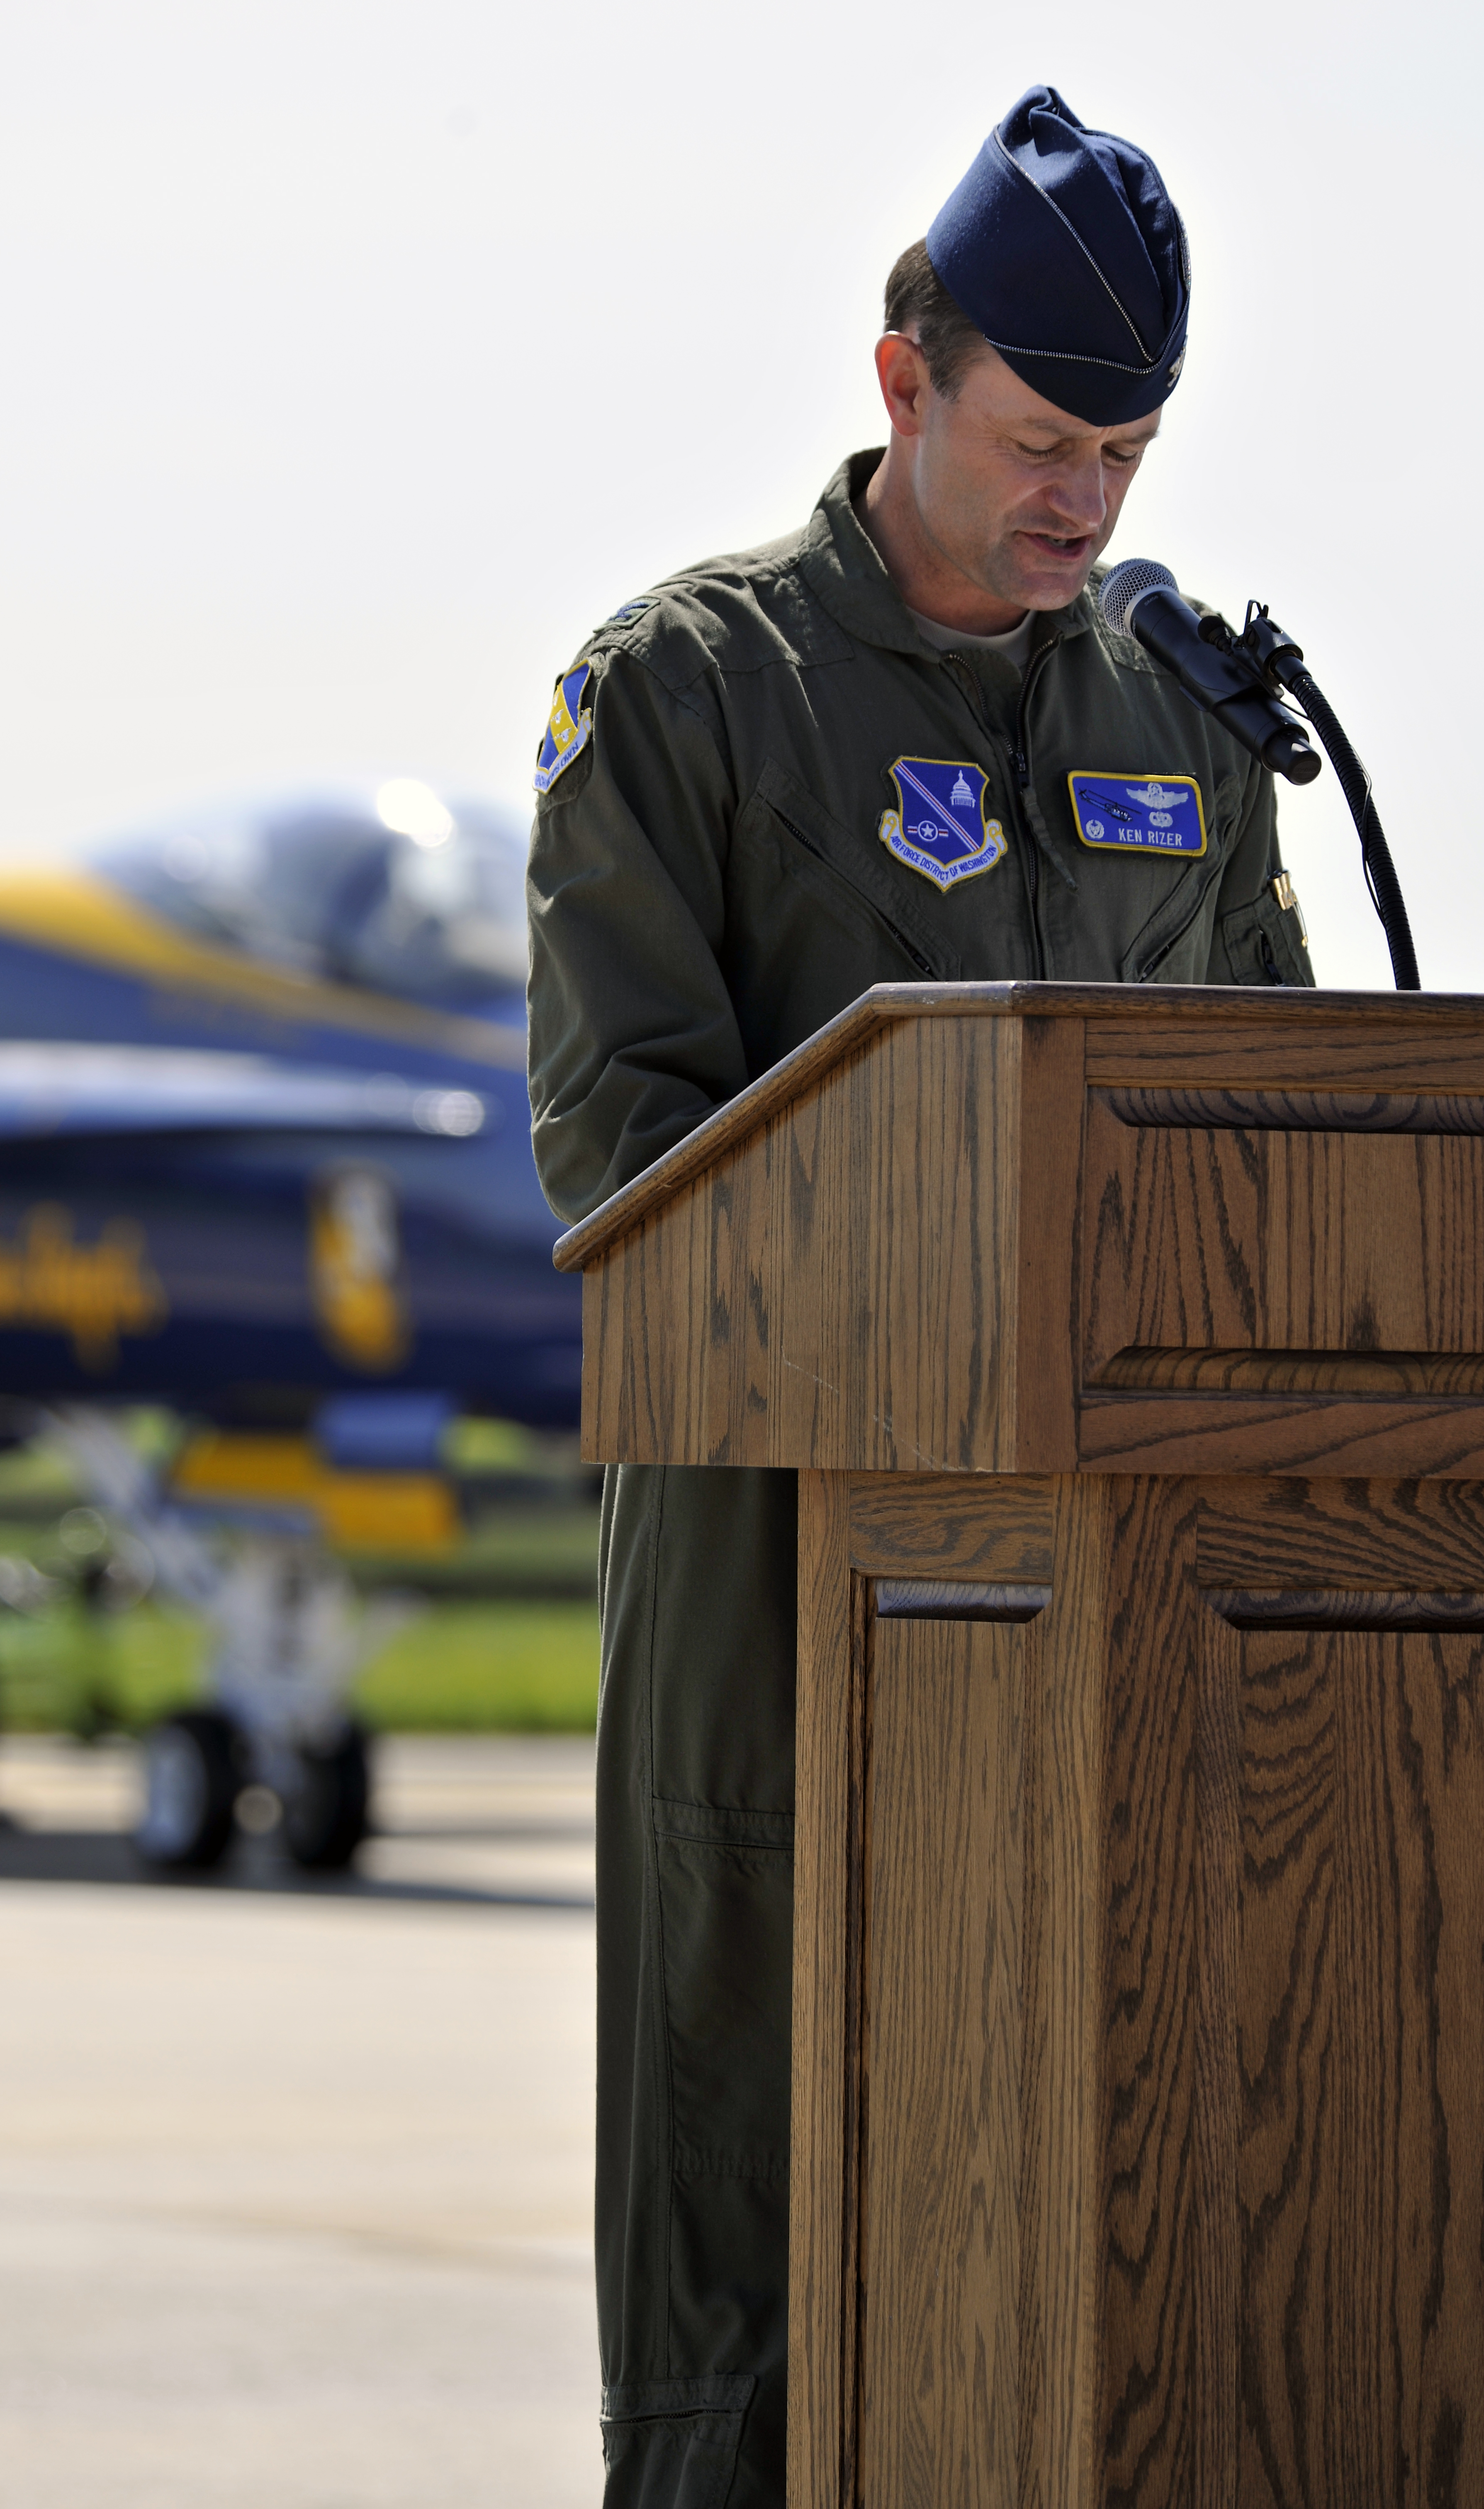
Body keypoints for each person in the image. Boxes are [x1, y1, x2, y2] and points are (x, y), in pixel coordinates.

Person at [527, 84, 1314, 2509]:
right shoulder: (690, 701)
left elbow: (1288, 1144)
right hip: (792, 1606)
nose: (1089, 500)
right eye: (1047, 438)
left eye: (1134, 450)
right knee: (760, 2240)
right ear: (905, 382)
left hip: (1149, 1624)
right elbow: (631, 1169)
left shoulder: (1188, 711)